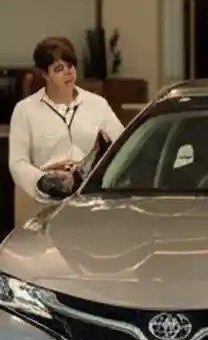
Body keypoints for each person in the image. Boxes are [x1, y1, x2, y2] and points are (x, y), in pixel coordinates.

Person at [8, 37, 125, 222]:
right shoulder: (25, 110)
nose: (67, 73)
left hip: (91, 202)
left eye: (70, 66)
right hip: (45, 205)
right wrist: (44, 181)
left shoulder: (97, 104)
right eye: (58, 69)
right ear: (45, 74)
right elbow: (18, 162)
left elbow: (123, 147)